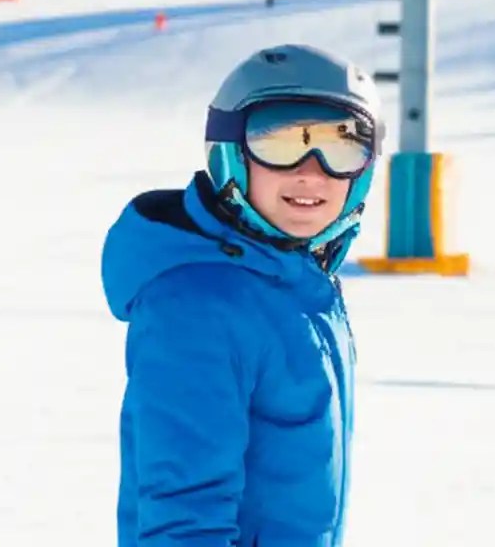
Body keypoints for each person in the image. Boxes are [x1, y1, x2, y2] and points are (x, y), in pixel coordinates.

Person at [101, 44, 386, 547]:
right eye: (279, 142)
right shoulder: (197, 305)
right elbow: (185, 516)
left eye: (342, 146)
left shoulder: (297, 288)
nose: (311, 171)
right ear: (231, 153)